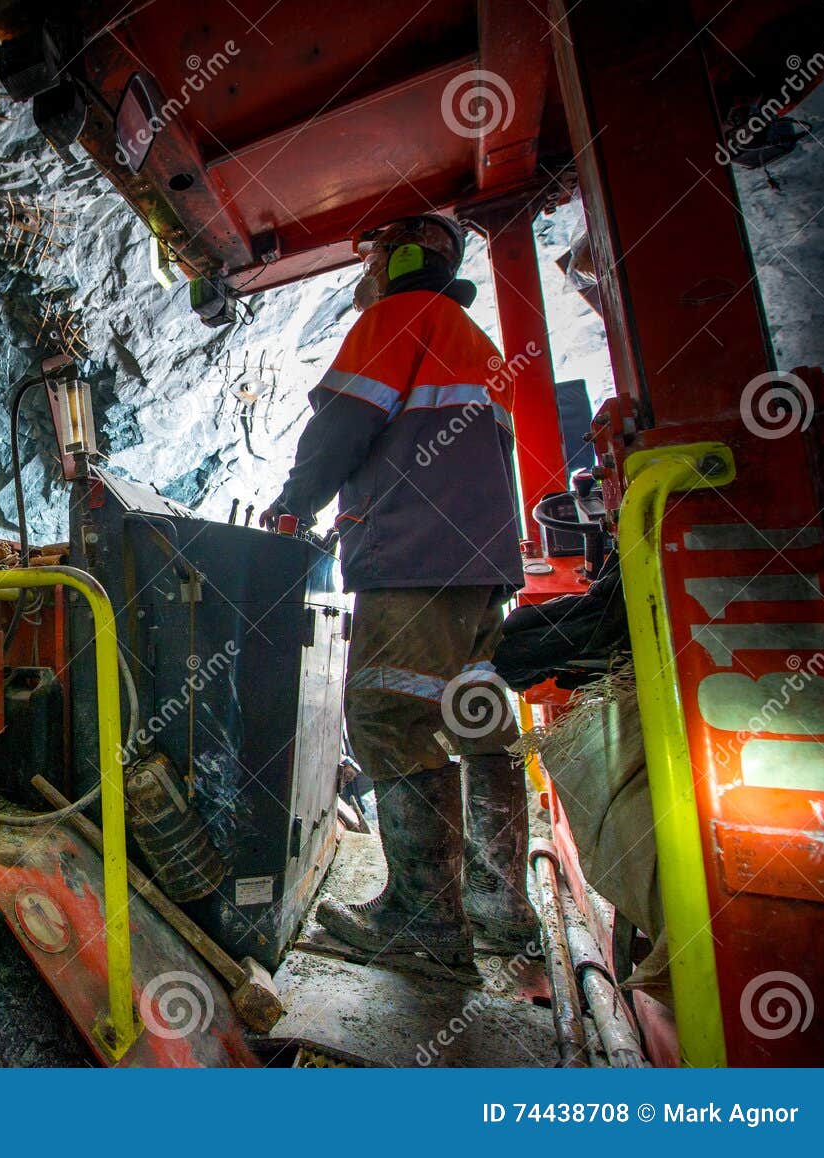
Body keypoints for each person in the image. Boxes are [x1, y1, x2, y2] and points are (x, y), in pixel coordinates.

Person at [260, 214, 538, 963]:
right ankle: (499, 904)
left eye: (375, 258)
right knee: (478, 721)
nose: (369, 275)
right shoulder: (474, 340)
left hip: (417, 558)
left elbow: (342, 428)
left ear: (400, 259)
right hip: (481, 569)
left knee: (388, 716)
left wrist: (292, 506)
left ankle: (425, 923)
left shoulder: (396, 320)